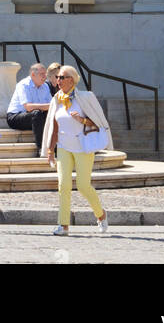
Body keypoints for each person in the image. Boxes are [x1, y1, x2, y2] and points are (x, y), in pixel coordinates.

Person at [41, 64, 112, 235]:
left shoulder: (86, 97)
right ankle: (63, 225)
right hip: (64, 147)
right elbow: (53, 127)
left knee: (82, 186)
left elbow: (99, 123)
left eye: (62, 77)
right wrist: (50, 150)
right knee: (63, 185)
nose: (58, 80)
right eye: (57, 77)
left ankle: (101, 215)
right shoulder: (57, 99)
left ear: (71, 80)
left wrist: (81, 120)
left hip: (83, 147)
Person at [6, 62, 52, 150]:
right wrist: (50, 106)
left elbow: (51, 105)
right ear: (33, 75)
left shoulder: (45, 86)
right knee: (37, 113)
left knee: (51, 115)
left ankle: (55, 148)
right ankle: (42, 149)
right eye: (42, 74)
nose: (44, 77)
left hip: (34, 117)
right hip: (15, 117)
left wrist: (51, 106)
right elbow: (28, 107)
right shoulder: (23, 85)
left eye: (45, 74)